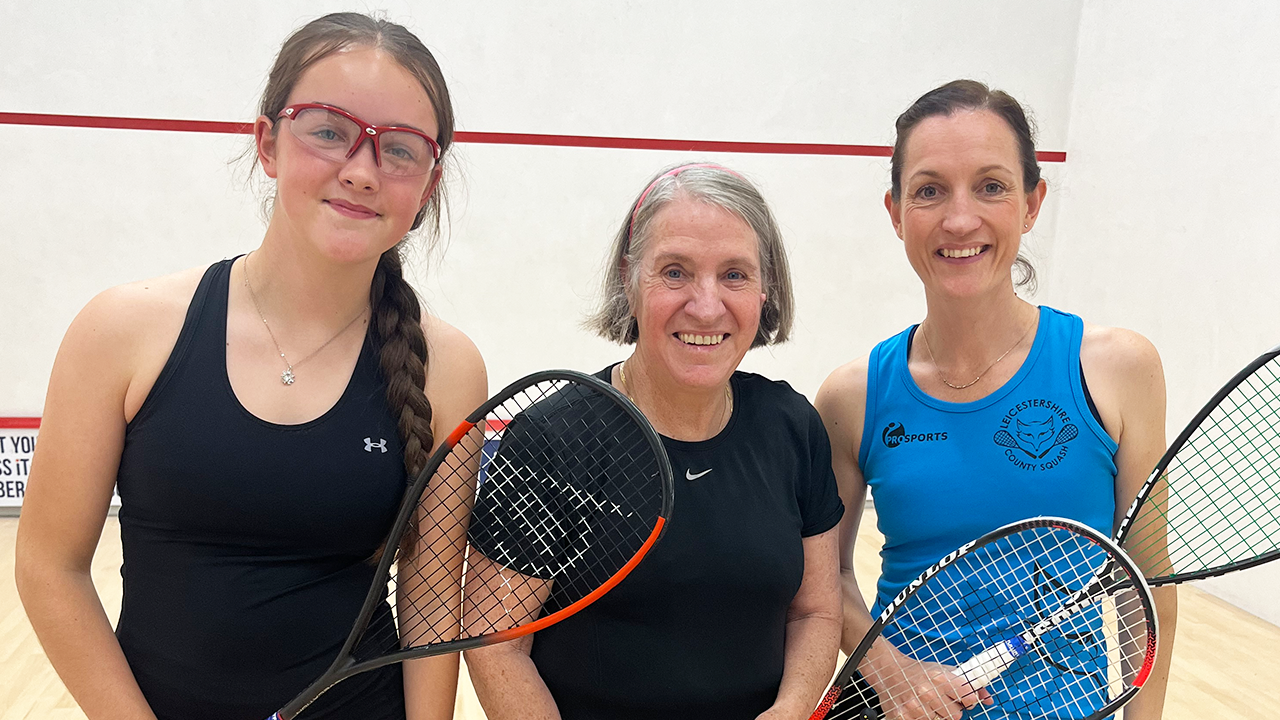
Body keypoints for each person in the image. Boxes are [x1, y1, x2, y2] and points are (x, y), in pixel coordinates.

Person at [14, 13, 485, 720]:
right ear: (267, 143)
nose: (360, 170)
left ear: (428, 183)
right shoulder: (121, 331)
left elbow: (426, 600)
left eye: (398, 149)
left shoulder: (448, 367)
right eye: (327, 130)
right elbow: (48, 567)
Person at [815, 79, 1177, 719]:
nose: (960, 219)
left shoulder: (1118, 368)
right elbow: (824, 579)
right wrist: (890, 671)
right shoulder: (854, 395)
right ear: (896, 212)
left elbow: (1145, 584)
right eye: (929, 190)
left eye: (991, 185)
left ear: (1032, 203)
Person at [464, 163, 845, 720]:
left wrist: (788, 710)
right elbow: (498, 642)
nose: (707, 305)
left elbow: (814, 612)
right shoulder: (553, 439)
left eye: (735, 275)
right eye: (675, 272)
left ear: (766, 291)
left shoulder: (792, 426)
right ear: (629, 279)